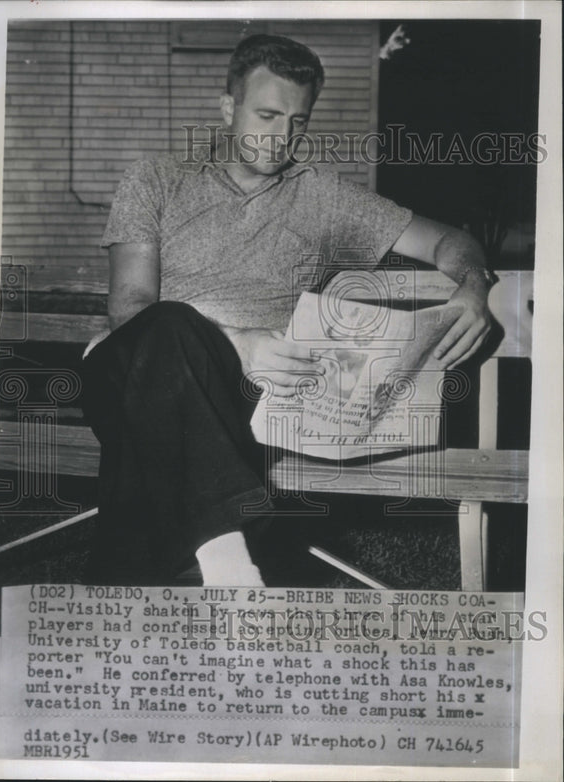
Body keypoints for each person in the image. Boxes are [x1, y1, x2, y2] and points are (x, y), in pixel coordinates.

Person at [81, 34, 493, 587]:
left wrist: (471, 284)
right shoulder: (155, 181)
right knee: (171, 323)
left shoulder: (321, 198)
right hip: (133, 369)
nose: (281, 138)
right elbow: (131, 311)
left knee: (150, 442)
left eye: (297, 121)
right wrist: (238, 341)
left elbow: (448, 241)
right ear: (228, 107)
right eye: (268, 114)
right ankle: (227, 554)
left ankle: (187, 571)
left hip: (247, 398)